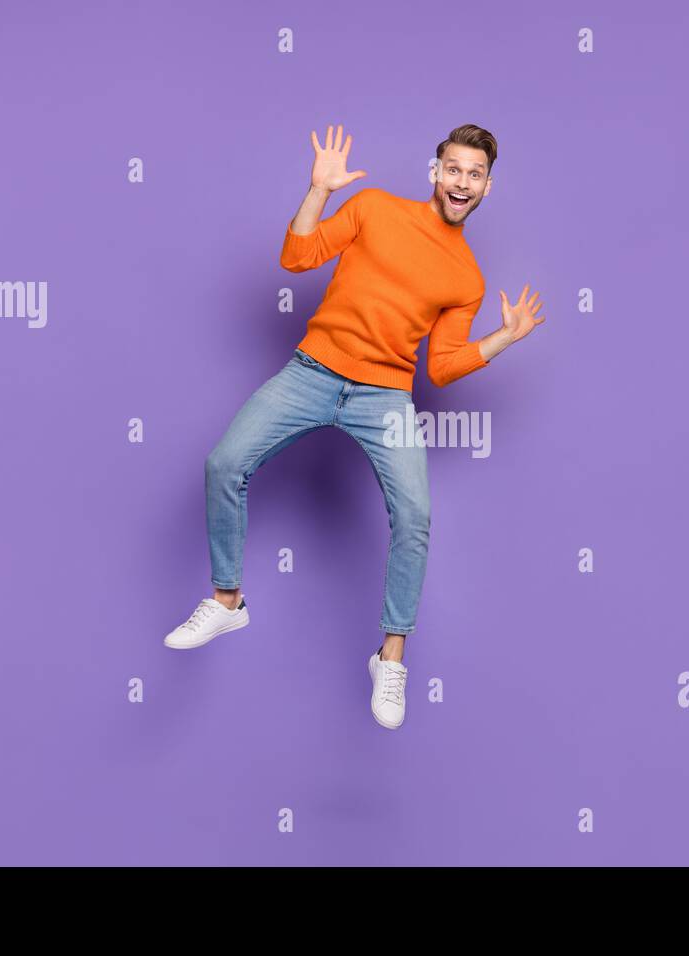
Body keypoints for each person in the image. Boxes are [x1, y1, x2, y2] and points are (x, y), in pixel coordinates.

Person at [164, 123, 545, 730]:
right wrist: (317, 191)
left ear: (487, 188)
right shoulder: (373, 207)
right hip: (314, 370)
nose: (461, 182)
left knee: (415, 516)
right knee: (224, 464)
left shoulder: (466, 277)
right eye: (453, 169)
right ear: (434, 172)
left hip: (386, 396)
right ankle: (227, 601)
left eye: (474, 175)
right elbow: (297, 257)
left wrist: (503, 338)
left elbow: (442, 369)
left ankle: (390, 657)